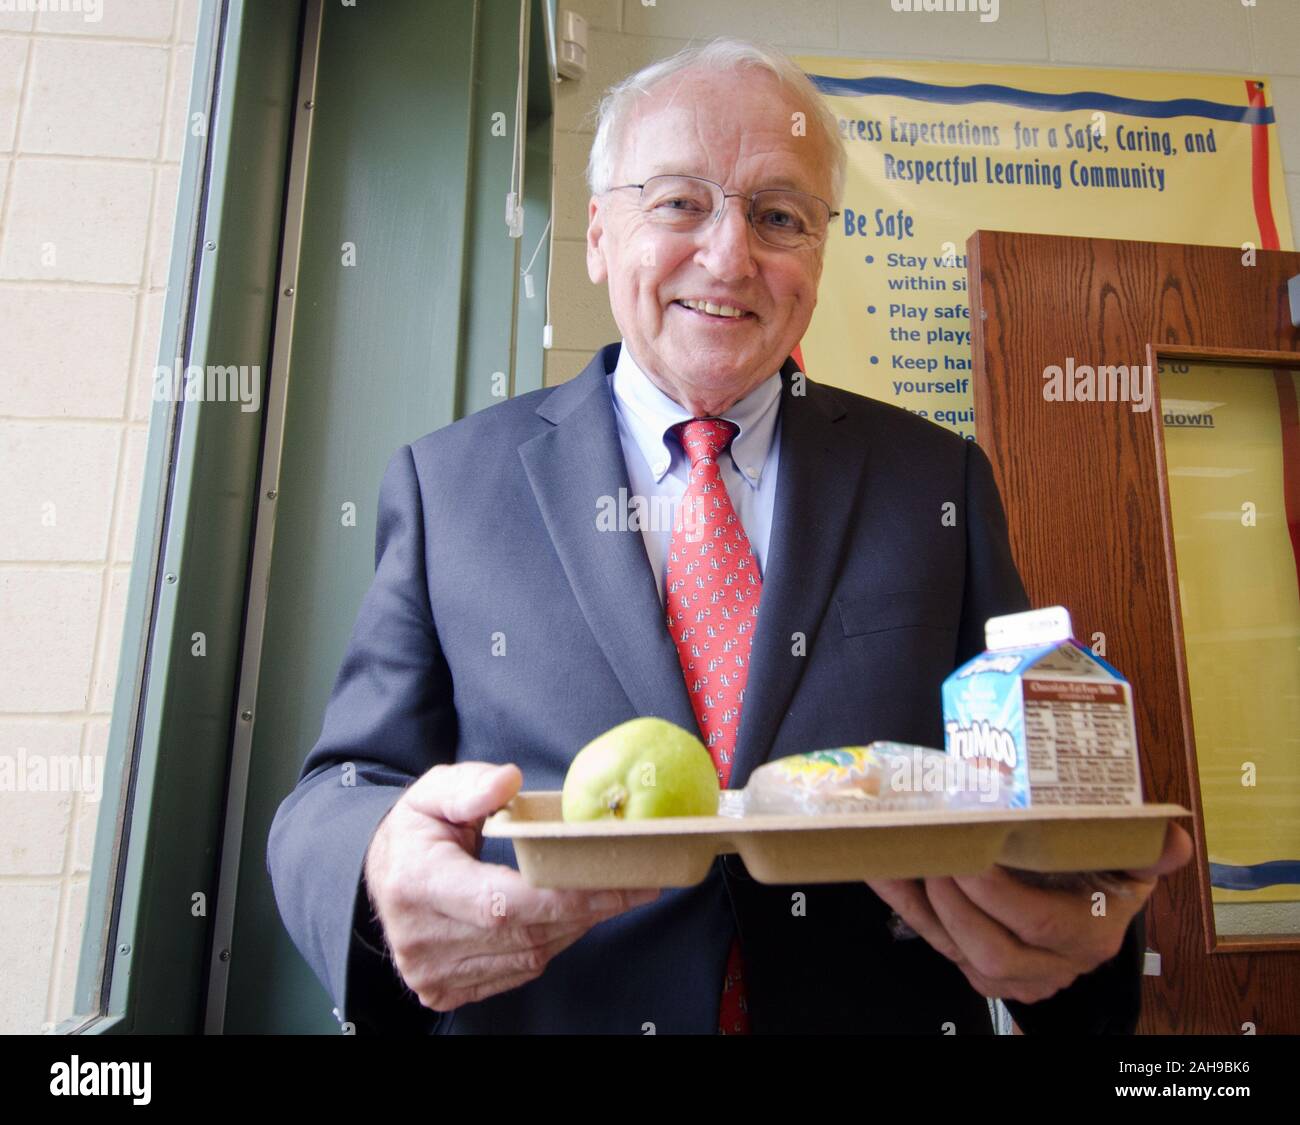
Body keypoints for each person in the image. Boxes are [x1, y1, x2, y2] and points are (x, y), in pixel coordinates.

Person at [267, 37, 1191, 1035]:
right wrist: (374, 865)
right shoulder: (448, 484)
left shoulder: (936, 480)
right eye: (677, 201)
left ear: (819, 254)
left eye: (777, 216)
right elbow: (347, 782)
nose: (728, 255)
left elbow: (1034, 780)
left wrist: (1086, 929)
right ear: (595, 235)